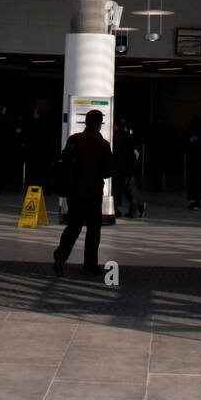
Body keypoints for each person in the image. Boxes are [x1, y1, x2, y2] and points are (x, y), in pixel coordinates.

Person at [52, 109, 114, 277]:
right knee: (94, 230)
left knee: (74, 225)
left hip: (74, 191)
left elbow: (64, 161)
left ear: (85, 122)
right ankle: (90, 265)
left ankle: (61, 254)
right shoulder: (103, 145)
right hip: (93, 192)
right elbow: (108, 171)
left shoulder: (74, 140)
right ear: (100, 124)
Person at [112, 117, 140, 218]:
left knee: (118, 188)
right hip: (130, 166)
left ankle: (116, 209)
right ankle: (135, 208)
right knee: (130, 188)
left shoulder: (115, 137)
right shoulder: (130, 137)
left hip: (120, 167)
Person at [185, 117, 201, 210]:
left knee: (191, 181)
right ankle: (197, 200)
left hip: (191, 162)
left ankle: (191, 200)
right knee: (200, 182)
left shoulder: (190, 135)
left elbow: (186, 147)